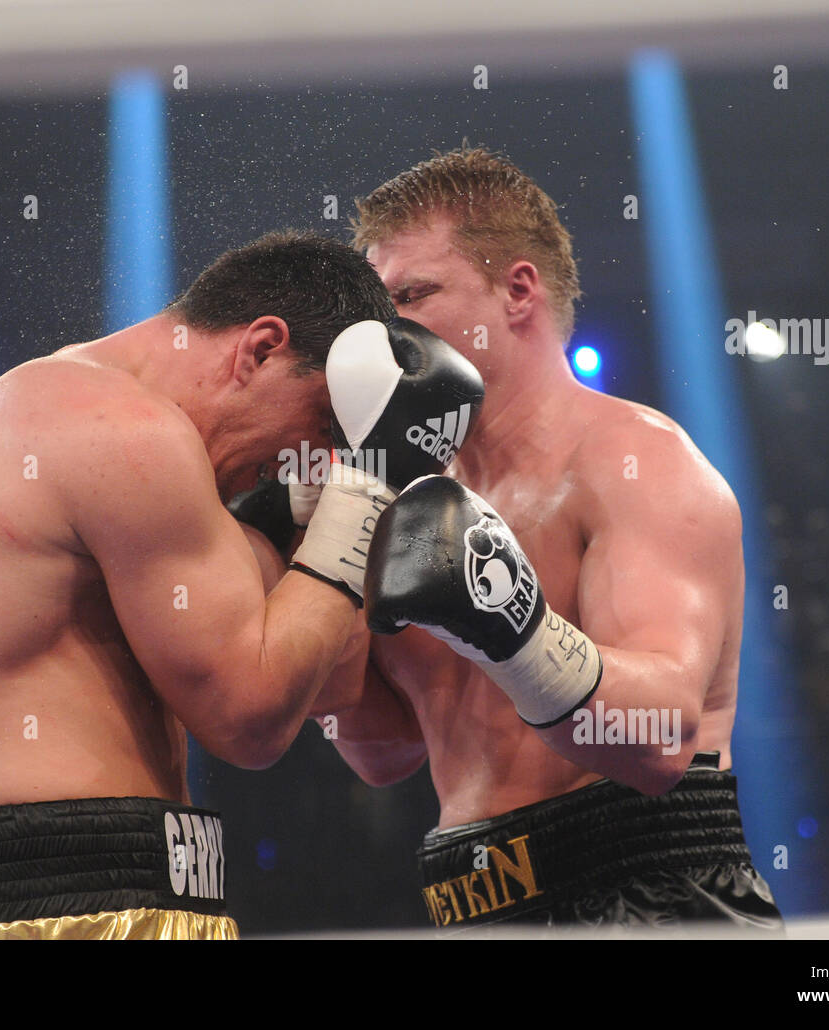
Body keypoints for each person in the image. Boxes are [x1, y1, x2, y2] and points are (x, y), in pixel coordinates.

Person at [0, 230, 483, 939]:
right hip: (69, 910)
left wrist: (317, 516)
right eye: (325, 424)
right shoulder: (120, 432)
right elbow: (251, 718)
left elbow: (331, 690)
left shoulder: (113, 447)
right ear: (260, 348)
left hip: (123, 890)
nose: (314, 457)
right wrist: (364, 490)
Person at [312, 146, 783, 932]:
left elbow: (661, 741)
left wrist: (507, 625)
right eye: (374, 309)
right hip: (470, 901)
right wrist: (312, 578)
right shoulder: (399, 495)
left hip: (646, 890)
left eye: (412, 295)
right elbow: (382, 754)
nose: (384, 331)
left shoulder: (634, 462)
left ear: (518, 290)